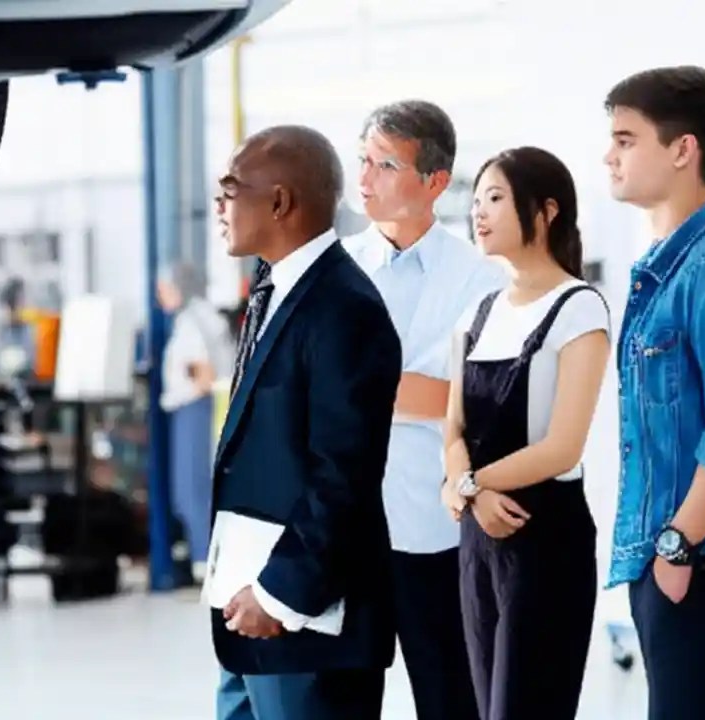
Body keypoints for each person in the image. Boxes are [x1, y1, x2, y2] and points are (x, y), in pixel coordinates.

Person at [202, 124, 401, 720]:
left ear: (280, 202)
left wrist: (281, 593)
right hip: (248, 612)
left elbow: (343, 474)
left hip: (304, 623)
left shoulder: (344, 309)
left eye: (231, 190)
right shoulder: (274, 291)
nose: (219, 205)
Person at [602, 65, 705, 720]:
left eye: (625, 139)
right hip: (675, 560)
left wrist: (676, 544)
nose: (608, 156)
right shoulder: (666, 269)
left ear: (682, 149)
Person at [343, 99, 506, 720]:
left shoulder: (478, 278)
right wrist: (418, 392)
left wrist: (368, 391)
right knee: (344, 701)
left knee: (450, 698)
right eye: (362, 161)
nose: (365, 179)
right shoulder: (337, 270)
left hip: (436, 535)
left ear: (435, 182)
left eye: (384, 165)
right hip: (347, 533)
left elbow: (475, 404)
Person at [443, 147, 611, 719]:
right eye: (475, 202)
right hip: (477, 544)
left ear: (545, 212)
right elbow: (453, 430)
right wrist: (467, 488)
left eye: (494, 198)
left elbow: (563, 446)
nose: (478, 213)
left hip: (545, 541)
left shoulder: (579, 308)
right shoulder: (477, 314)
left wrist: (467, 486)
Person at [156, 262, 235, 579]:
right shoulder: (206, 316)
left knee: (192, 489)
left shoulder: (191, 322)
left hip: (195, 408)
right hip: (207, 406)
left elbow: (203, 372)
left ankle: (205, 563)